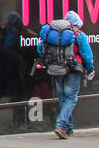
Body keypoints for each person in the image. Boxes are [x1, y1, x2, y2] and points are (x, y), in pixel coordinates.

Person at [36, 9, 95, 139]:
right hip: (72, 69)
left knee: (63, 98)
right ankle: (61, 125)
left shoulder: (52, 33)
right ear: (77, 23)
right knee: (71, 98)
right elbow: (87, 55)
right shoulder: (78, 34)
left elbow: (40, 49)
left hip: (56, 69)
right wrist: (90, 69)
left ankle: (67, 129)